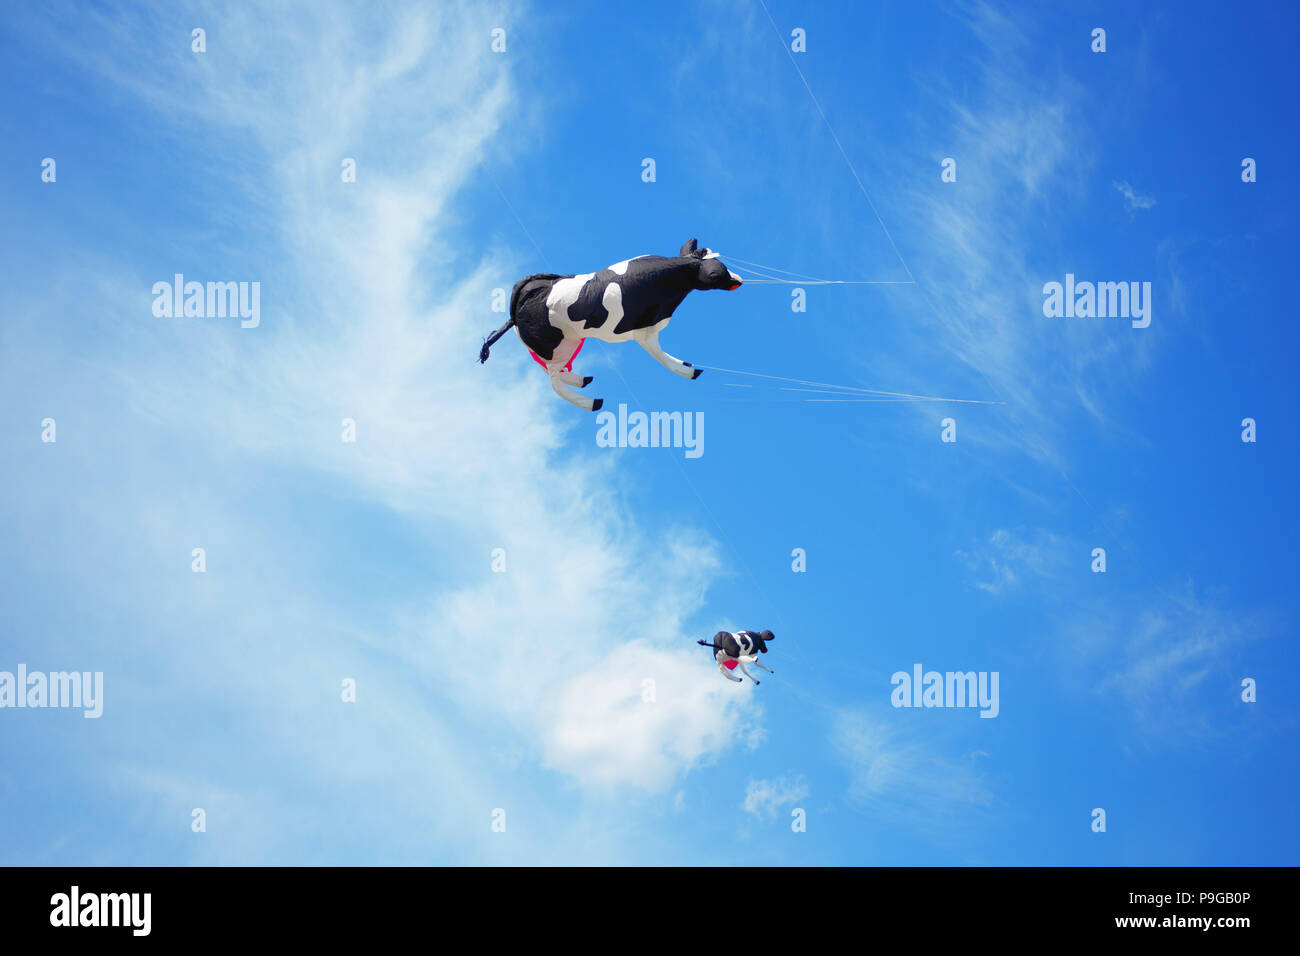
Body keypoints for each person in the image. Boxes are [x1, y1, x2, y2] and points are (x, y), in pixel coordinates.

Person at [700, 630, 775, 684]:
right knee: (738, 657)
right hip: (733, 648)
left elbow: (739, 633)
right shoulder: (760, 643)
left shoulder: (747, 632)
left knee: (725, 663)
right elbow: (764, 651)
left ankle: (738, 679)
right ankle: (742, 676)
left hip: (725, 643)